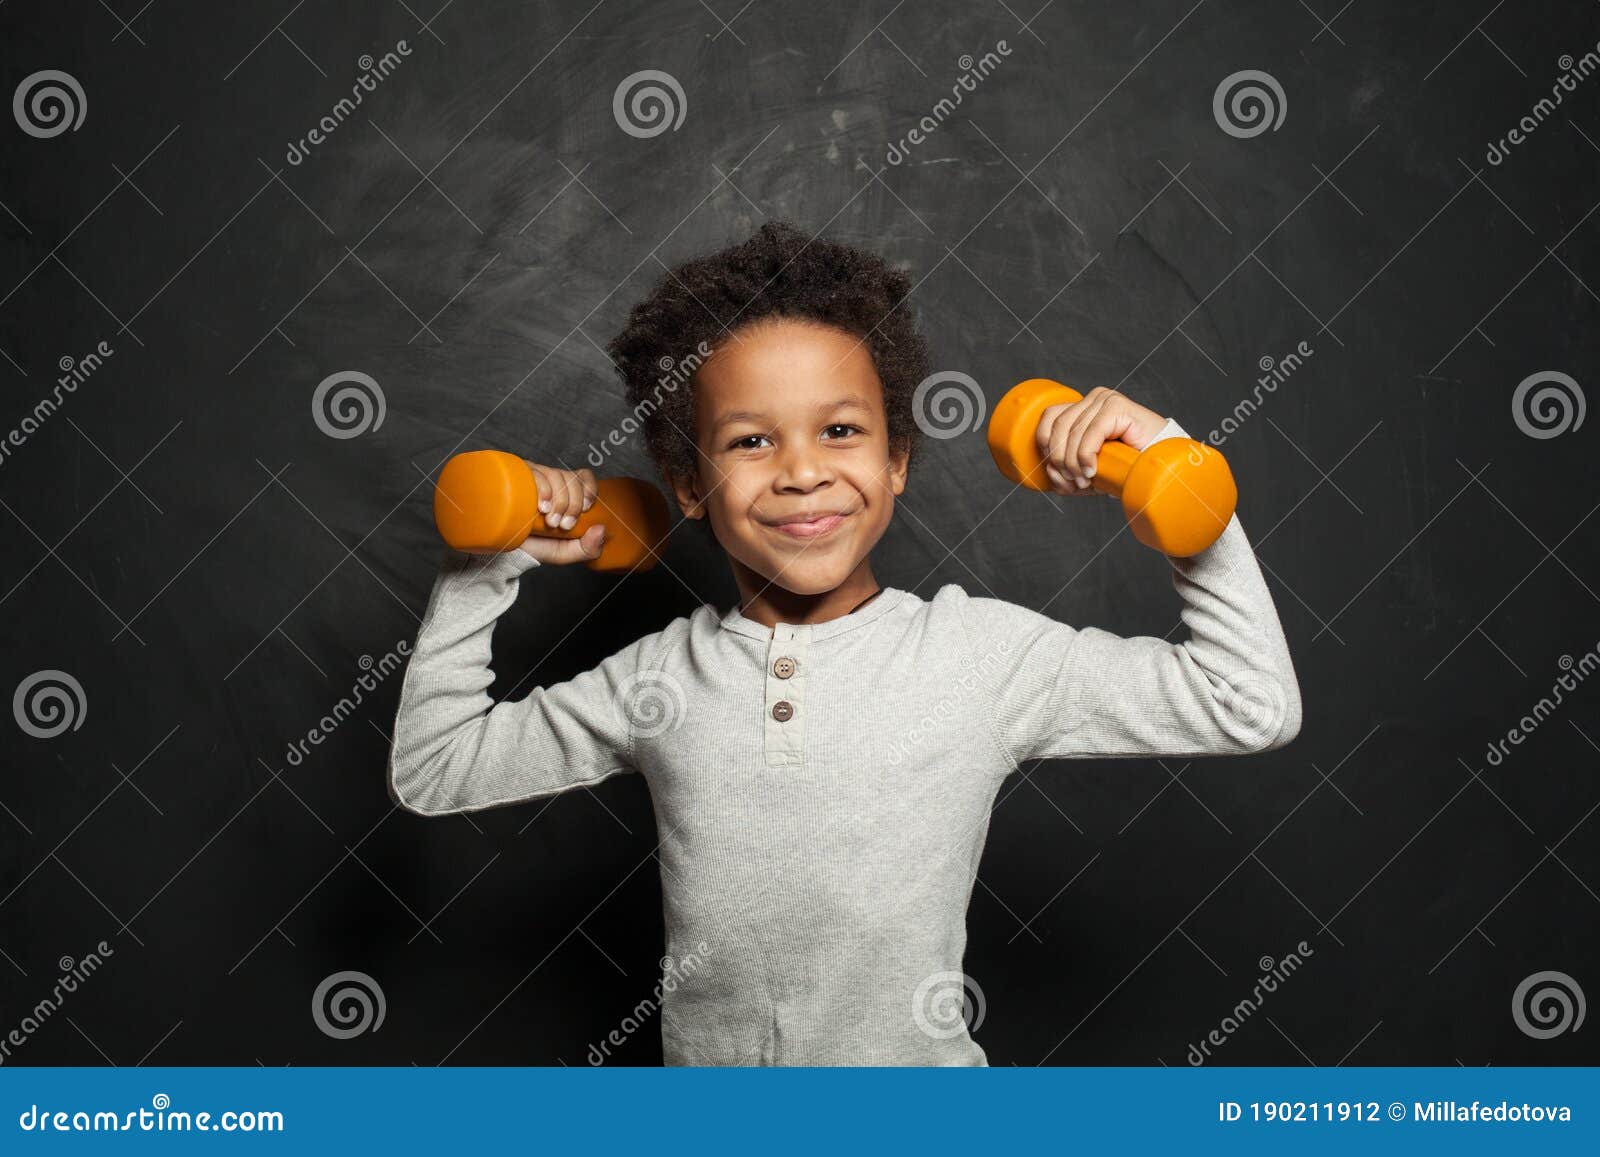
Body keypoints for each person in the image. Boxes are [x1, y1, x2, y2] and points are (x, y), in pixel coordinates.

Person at [386, 219, 1302, 1066]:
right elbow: (435, 767)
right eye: (749, 440)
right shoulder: (661, 678)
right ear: (689, 483)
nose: (802, 472)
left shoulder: (978, 656)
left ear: (896, 457)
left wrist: (1169, 466)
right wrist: (489, 565)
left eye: (840, 430)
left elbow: (1247, 701)